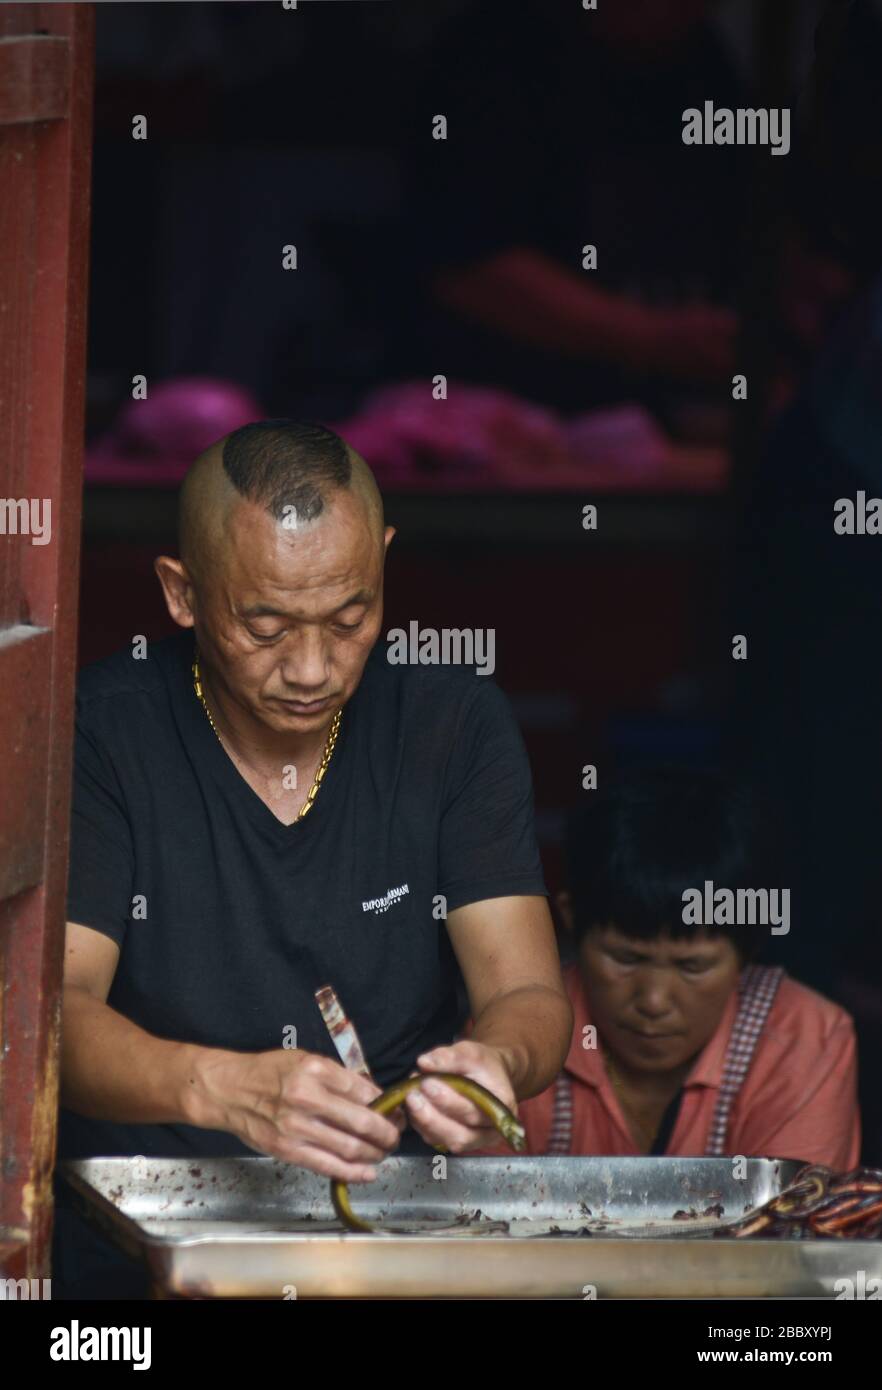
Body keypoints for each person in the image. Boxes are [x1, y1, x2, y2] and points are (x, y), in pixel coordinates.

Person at [54, 418, 571, 1295]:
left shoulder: (451, 731)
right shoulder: (104, 735)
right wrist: (219, 1090)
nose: (312, 668)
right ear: (181, 594)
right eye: (266, 626)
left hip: (390, 1226)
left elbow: (524, 994)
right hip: (140, 1237)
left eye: (350, 616)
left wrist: (497, 1065)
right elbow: (51, 1014)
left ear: (384, 563)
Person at [493, 768, 860, 1166]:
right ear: (569, 918)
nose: (653, 1000)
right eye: (626, 958)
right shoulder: (510, 1034)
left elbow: (793, 1220)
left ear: (749, 948)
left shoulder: (806, 1041)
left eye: (693, 966)